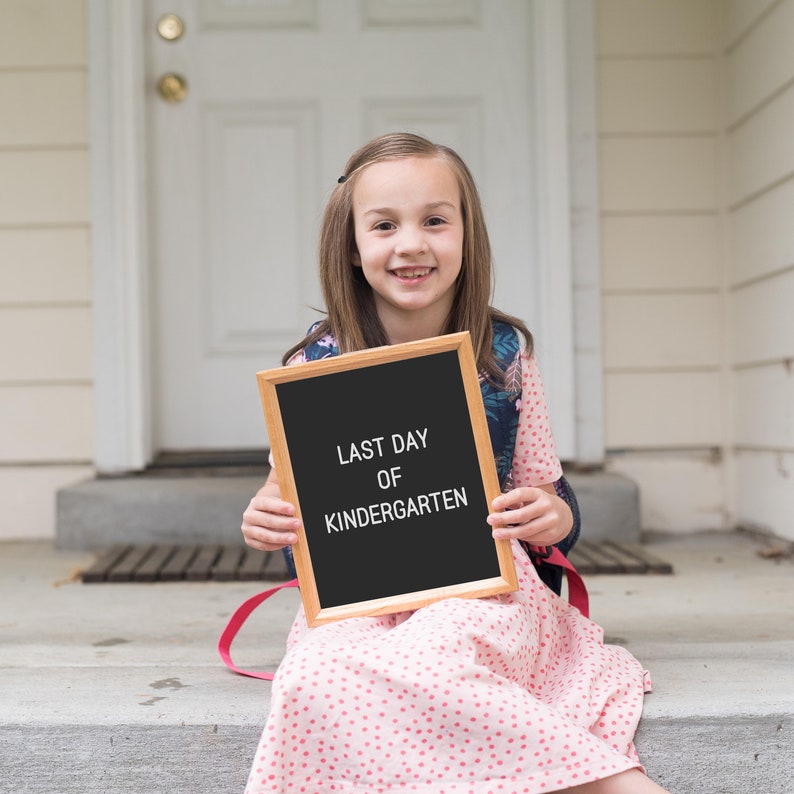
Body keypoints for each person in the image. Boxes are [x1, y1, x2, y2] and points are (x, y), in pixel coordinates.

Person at [240, 133, 669, 793]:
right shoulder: (314, 371)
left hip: (483, 588)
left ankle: (607, 784)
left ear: (467, 237)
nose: (411, 243)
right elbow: (286, 500)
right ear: (351, 248)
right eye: (384, 225)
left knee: (440, 653)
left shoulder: (504, 358)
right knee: (312, 674)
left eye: (435, 220)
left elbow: (551, 498)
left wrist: (551, 515)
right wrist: (267, 520)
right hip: (361, 603)